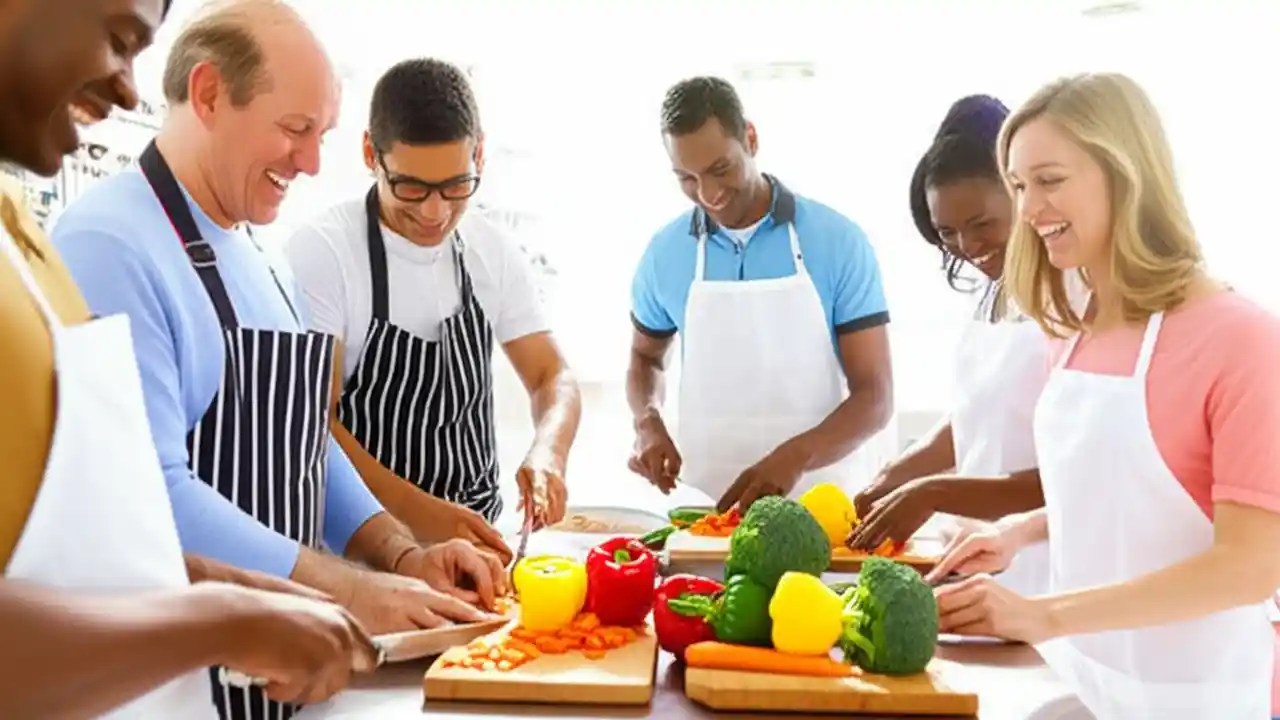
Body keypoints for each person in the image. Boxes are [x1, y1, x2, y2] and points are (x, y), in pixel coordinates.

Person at [51, 3, 501, 719]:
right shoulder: (109, 244)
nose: (313, 163)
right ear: (207, 95)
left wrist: (400, 551)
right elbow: (149, 496)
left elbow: (302, 440)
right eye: (295, 130)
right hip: (184, 691)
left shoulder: (261, 257)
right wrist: (346, 589)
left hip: (280, 681)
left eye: (320, 136)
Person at [0, 0, 376, 716]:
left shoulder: (22, 238)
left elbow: (91, 541)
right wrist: (224, 616)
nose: (131, 90)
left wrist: (236, 589)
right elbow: (155, 491)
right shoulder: (103, 240)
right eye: (118, 40)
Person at [929, 73, 1280, 720]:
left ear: (1125, 173)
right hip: (1081, 682)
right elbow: (1127, 502)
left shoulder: (1241, 337)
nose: (1029, 210)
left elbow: (1252, 564)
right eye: (1018, 185)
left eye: (1050, 180)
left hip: (1198, 700)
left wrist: (1043, 614)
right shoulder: (1076, 331)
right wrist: (1020, 532)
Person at [285, 57, 580, 536]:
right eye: (411, 187)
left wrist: (549, 450)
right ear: (369, 154)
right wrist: (424, 520)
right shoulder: (325, 252)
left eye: (455, 186)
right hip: (366, 552)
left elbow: (553, 375)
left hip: (481, 540)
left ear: (479, 156)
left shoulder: (491, 250)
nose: (435, 212)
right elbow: (316, 425)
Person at [627, 76, 894, 511]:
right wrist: (647, 422)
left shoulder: (837, 241)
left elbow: (876, 397)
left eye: (720, 169)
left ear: (750, 138)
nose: (708, 194)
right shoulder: (665, 253)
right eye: (687, 179)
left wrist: (795, 457)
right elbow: (645, 358)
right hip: (706, 513)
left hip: (817, 508)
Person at [845, 95, 1051, 596]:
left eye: (982, 224)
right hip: (986, 557)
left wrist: (933, 492)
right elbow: (979, 416)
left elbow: (1078, 474)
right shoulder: (994, 289)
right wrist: (897, 475)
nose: (969, 247)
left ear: (1020, 194)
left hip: (1050, 560)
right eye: (948, 233)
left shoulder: (1073, 294)